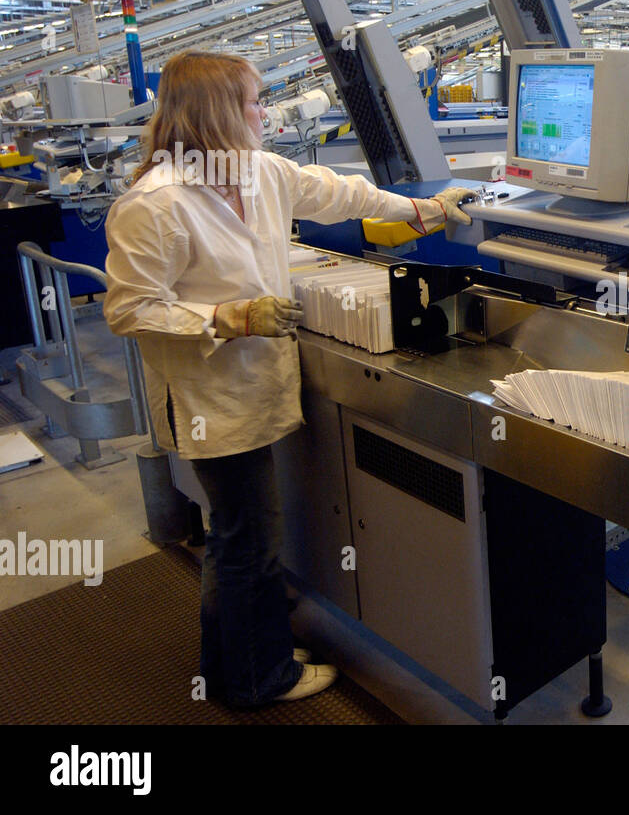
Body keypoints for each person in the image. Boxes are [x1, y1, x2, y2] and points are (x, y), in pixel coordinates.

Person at [103, 50, 475, 707]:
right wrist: (229, 315)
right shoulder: (154, 204)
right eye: (253, 101)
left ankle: (235, 662)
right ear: (218, 111)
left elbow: (342, 194)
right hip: (208, 400)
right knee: (246, 542)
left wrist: (426, 209)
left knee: (238, 536)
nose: (264, 112)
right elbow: (128, 308)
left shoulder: (261, 172)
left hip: (254, 386)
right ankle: (257, 677)